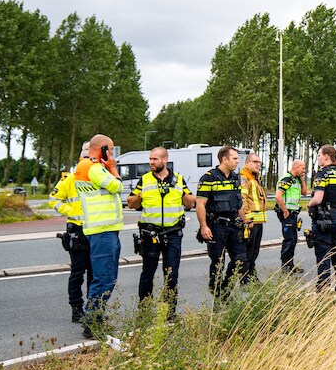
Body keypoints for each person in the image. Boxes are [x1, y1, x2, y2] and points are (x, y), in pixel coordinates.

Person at [127, 147, 196, 319]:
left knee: (171, 274)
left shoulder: (178, 179)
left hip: (172, 233)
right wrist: (139, 196)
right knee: (147, 273)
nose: (151, 162)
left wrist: (183, 194)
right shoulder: (144, 179)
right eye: (150, 159)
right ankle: (144, 311)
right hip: (150, 234)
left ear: (165, 160)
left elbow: (191, 202)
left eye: (155, 159)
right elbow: (131, 203)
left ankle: (169, 312)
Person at [75, 134, 124, 338]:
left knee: (105, 277)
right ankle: (92, 321)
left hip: (102, 229)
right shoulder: (93, 168)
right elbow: (117, 186)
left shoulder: (85, 166)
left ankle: (96, 317)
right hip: (102, 230)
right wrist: (113, 169)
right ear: (102, 149)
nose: (112, 154)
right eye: (110, 150)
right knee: (104, 278)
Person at [196, 146, 248, 299]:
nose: (237, 161)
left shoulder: (235, 178)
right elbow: (200, 204)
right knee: (218, 263)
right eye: (235, 158)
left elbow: (239, 204)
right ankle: (217, 296)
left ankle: (225, 290)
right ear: (224, 159)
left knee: (240, 260)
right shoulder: (208, 178)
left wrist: (245, 223)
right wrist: (204, 226)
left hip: (234, 226)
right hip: (217, 226)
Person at [49, 143, 93, 323]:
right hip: (77, 229)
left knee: (95, 274)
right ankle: (76, 309)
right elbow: (54, 199)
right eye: (85, 156)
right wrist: (71, 211)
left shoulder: (98, 177)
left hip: (96, 230)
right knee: (77, 273)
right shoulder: (70, 179)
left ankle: (92, 309)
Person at [307, 144, 336, 292]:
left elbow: (318, 198)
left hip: (324, 218)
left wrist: (309, 204)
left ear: (326, 157)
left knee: (323, 255)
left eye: (319, 155)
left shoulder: (322, 174)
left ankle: (323, 289)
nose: (318, 158)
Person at [275, 159, 307, 275]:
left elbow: (304, 192)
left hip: (293, 213)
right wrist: (285, 211)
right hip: (287, 212)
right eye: (303, 168)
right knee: (288, 240)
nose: (304, 171)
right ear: (296, 167)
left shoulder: (296, 179)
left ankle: (290, 264)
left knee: (293, 240)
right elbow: (278, 196)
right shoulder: (287, 178)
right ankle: (285, 265)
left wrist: (302, 180)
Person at [239, 153, 268, 282]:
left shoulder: (255, 178)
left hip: (258, 221)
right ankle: (245, 278)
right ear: (247, 163)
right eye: (255, 162)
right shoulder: (244, 177)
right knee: (248, 251)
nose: (258, 164)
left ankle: (251, 276)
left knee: (254, 252)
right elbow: (243, 199)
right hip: (251, 222)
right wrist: (247, 219)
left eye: (259, 162)